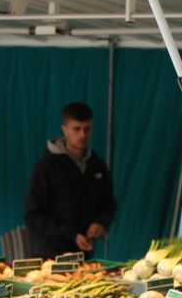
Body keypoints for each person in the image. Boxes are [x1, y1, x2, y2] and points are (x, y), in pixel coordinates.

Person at [24, 101, 117, 259]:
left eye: (87, 129)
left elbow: (108, 204)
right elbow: (33, 215)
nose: (82, 135)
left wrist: (100, 223)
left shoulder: (98, 166)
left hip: (83, 256)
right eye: (77, 129)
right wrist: (71, 236)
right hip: (48, 256)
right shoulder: (46, 166)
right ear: (64, 129)